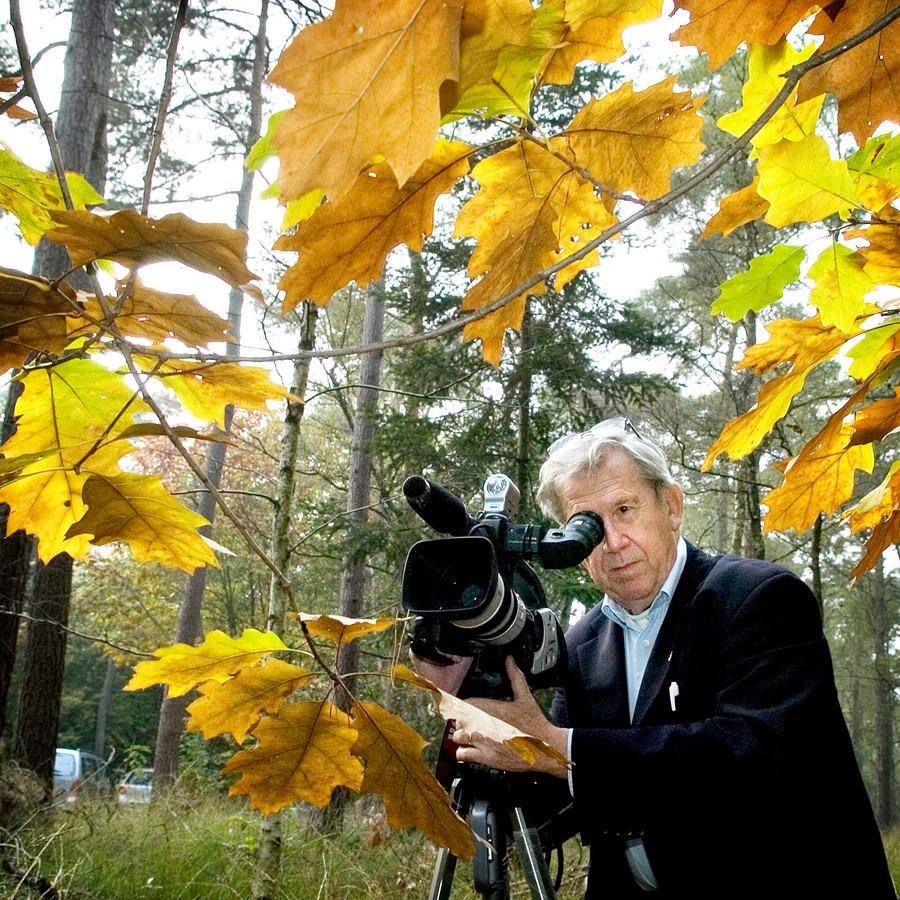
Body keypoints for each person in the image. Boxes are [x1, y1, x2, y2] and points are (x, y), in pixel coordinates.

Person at [417, 418, 896, 898]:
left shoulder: (757, 597)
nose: (614, 541)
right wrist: (468, 699)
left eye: (625, 509)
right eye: (588, 526)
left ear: (671, 506)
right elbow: (558, 803)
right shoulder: (584, 642)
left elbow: (752, 756)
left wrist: (556, 746)